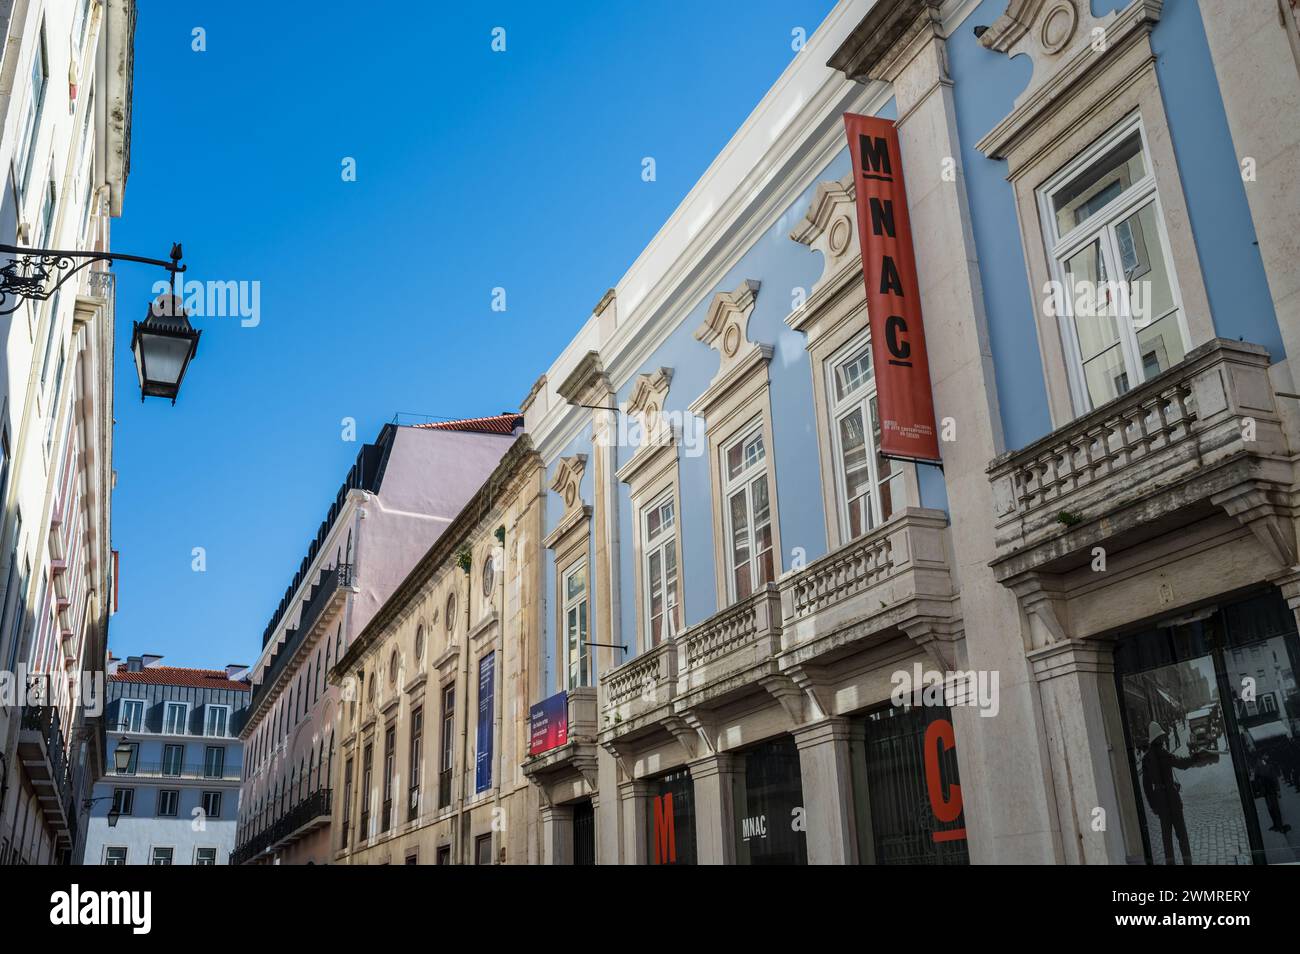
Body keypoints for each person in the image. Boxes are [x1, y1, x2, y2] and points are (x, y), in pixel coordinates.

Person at [1141, 721, 1216, 864]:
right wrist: (1196, 756)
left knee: (1166, 840)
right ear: (1158, 739)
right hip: (1173, 799)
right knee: (1182, 836)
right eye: (1162, 737)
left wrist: (1153, 806)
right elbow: (1183, 764)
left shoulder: (1146, 760)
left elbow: (1147, 787)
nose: (1164, 739)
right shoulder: (1165, 754)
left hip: (1161, 803)